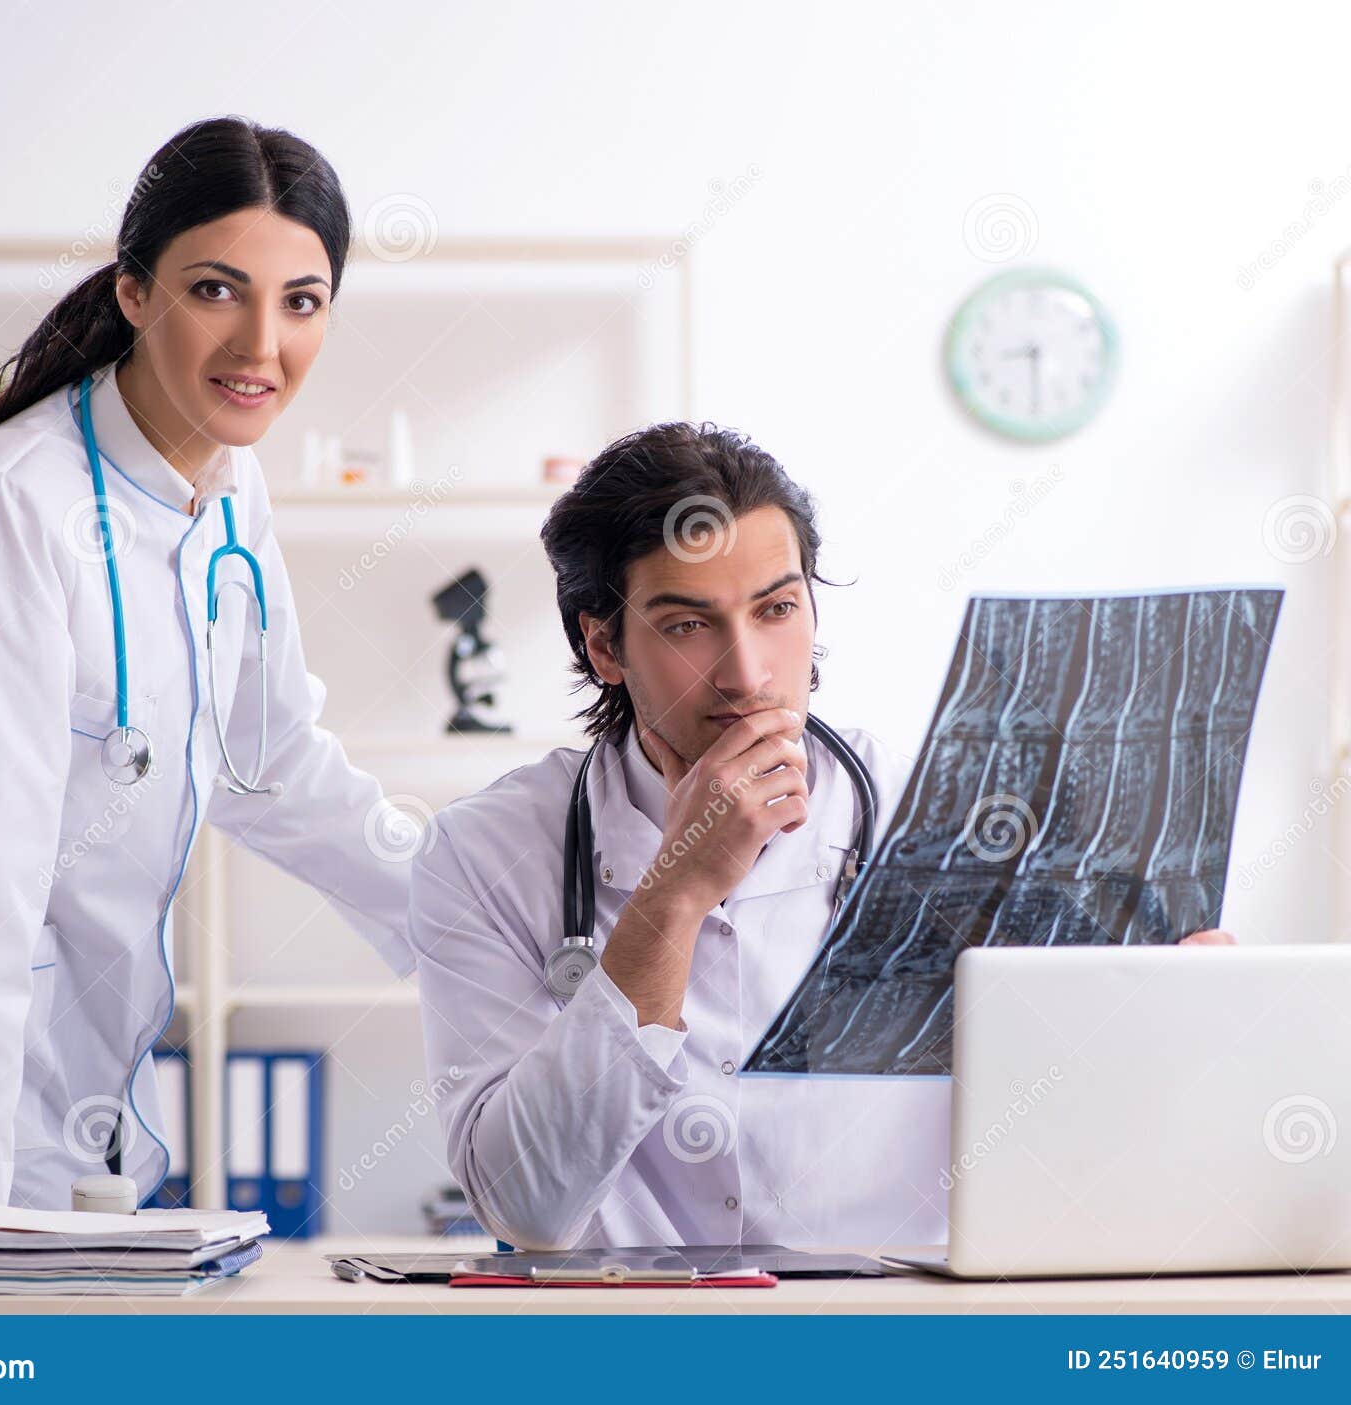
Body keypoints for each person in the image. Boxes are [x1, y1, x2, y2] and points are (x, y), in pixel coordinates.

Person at [0, 117, 415, 1269]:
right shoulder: (14, 508)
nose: (262, 342)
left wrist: (471, 921)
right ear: (133, 291)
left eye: (304, 300)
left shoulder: (228, 488)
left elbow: (269, 759)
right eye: (217, 289)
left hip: (87, 1041)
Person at [408, 421, 1234, 1251]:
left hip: (895, 1338)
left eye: (776, 609)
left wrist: (1171, 1013)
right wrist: (676, 892)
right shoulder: (483, 856)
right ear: (603, 645)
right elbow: (526, 1205)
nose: (748, 672)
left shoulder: (949, 817)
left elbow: (1076, 1109)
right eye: (688, 624)